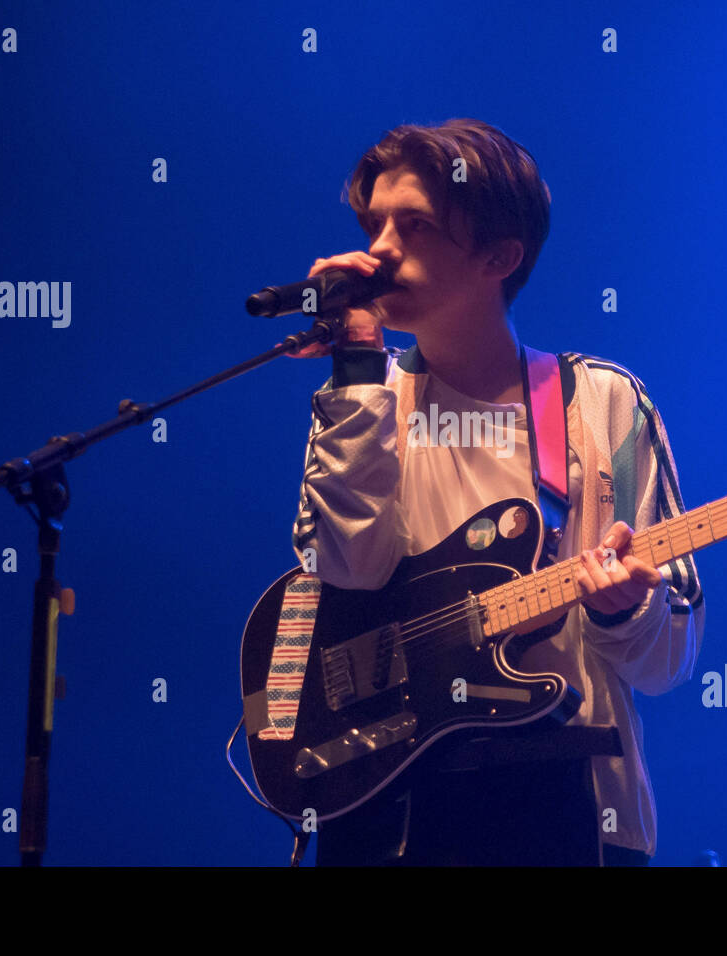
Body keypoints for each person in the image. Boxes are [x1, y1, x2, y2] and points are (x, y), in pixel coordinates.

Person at [288, 118, 705, 866]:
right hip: (390, 817)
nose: (379, 249)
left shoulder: (605, 404)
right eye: (374, 223)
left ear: (500, 254)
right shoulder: (365, 397)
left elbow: (668, 660)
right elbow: (346, 574)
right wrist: (354, 366)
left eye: (413, 226)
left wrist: (626, 611)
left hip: (576, 817)